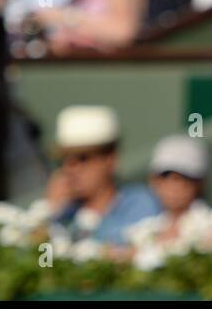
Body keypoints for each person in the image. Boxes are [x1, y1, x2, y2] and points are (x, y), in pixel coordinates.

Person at [45, 105, 162, 247]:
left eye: (82, 158)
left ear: (111, 159)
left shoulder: (140, 203)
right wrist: (49, 214)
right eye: (64, 159)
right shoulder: (62, 212)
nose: (70, 169)